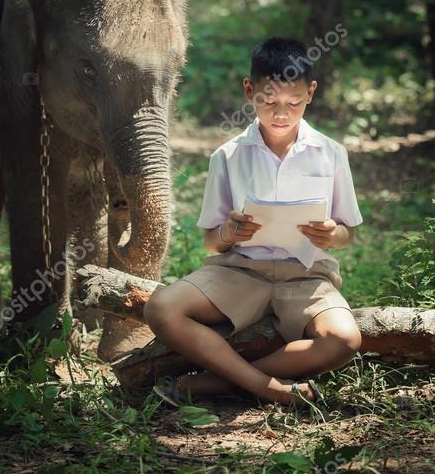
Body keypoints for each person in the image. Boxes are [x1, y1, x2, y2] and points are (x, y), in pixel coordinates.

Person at [143, 37, 363, 406]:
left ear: (311, 92)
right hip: (241, 271)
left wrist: (331, 233)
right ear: (249, 90)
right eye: (269, 100)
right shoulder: (227, 156)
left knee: (345, 340)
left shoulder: (331, 154)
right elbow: (211, 242)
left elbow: (347, 235)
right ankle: (266, 387)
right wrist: (229, 232)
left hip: (306, 275)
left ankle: (217, 383)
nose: (281, 113)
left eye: (294, 103)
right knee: (161, 307)